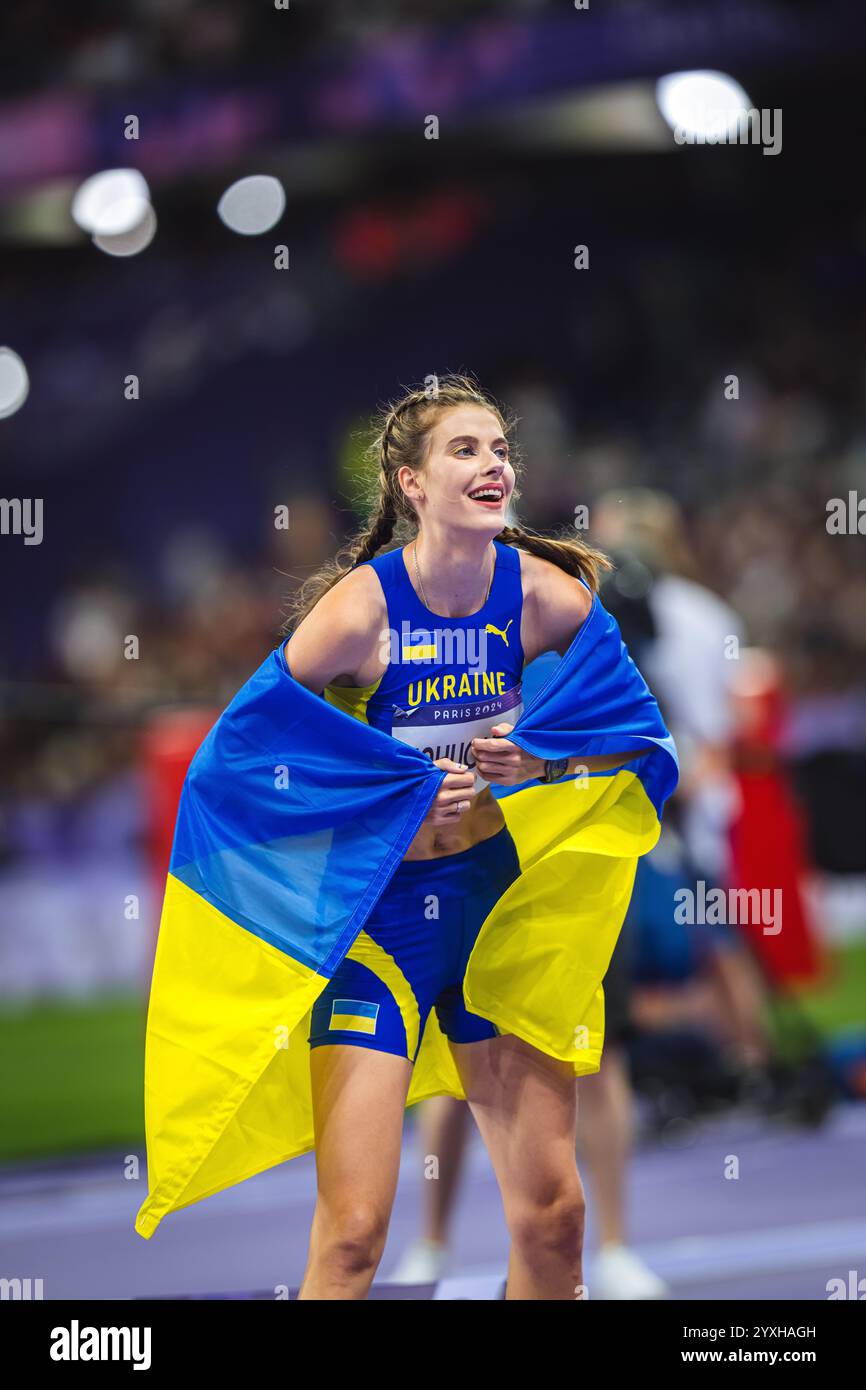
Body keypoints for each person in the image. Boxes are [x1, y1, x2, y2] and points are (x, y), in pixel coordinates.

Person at [284, 375, 651, 1300]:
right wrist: (388, 802)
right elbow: (264, 762)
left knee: (554, 1221)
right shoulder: (357, 612)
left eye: (499, 449)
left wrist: (547, 764)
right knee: (354, 1237)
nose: (494, 465)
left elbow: (635, 730)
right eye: (466, 450)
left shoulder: (543, 596)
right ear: (410, 484)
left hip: (497, 916)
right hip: (381, 928)